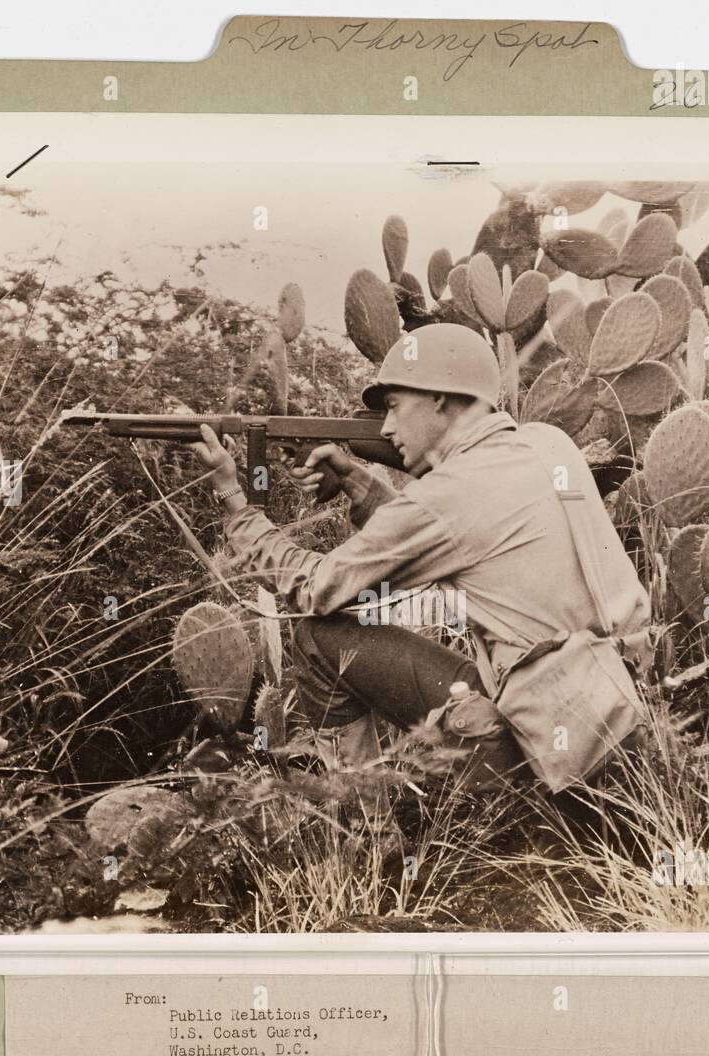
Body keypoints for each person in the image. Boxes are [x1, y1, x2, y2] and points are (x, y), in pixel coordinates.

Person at [190, 322, 652, 790]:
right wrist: (355, 480)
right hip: (625, 699)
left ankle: (363, 816)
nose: (386, 427)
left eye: (394, 406)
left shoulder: (448, 496)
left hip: (558, 740)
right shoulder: (547, 442)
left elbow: (315, 588)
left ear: (439, 399)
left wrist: (235, 501)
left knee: (317, 636)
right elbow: (457, 534)